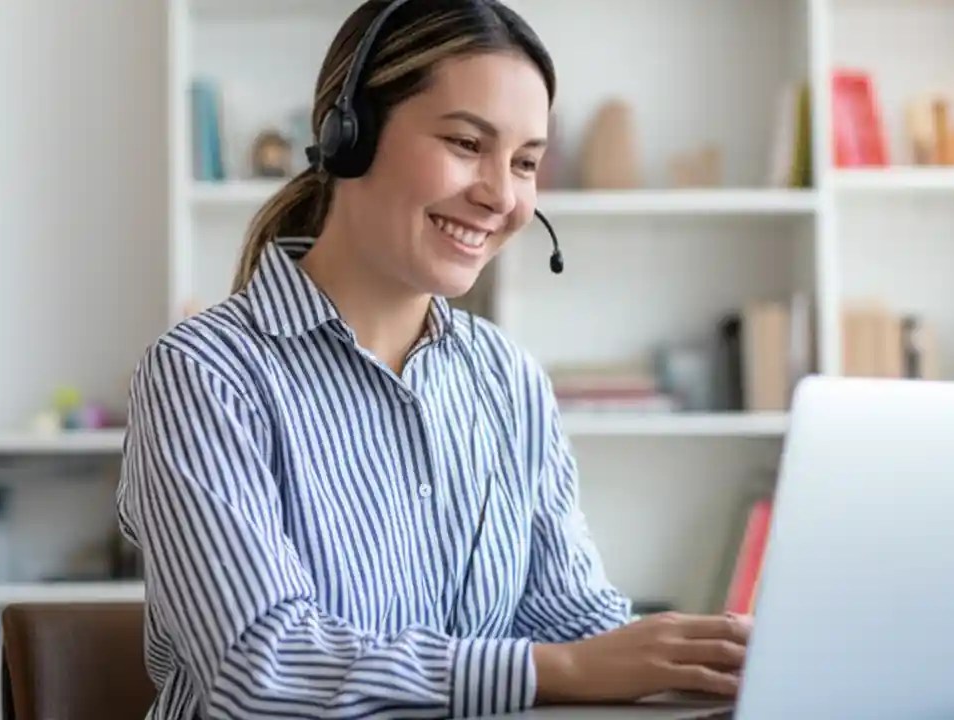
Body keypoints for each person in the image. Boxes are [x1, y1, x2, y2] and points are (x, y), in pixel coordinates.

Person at [115, 1, 750, 718]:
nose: (501, 195)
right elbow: (263, 669)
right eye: (465, 143)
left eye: (526, 162)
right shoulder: (204, 374)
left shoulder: (506, 380)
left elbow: (572, 622)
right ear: (348, 135)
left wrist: (703, 664)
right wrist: (561, 668)